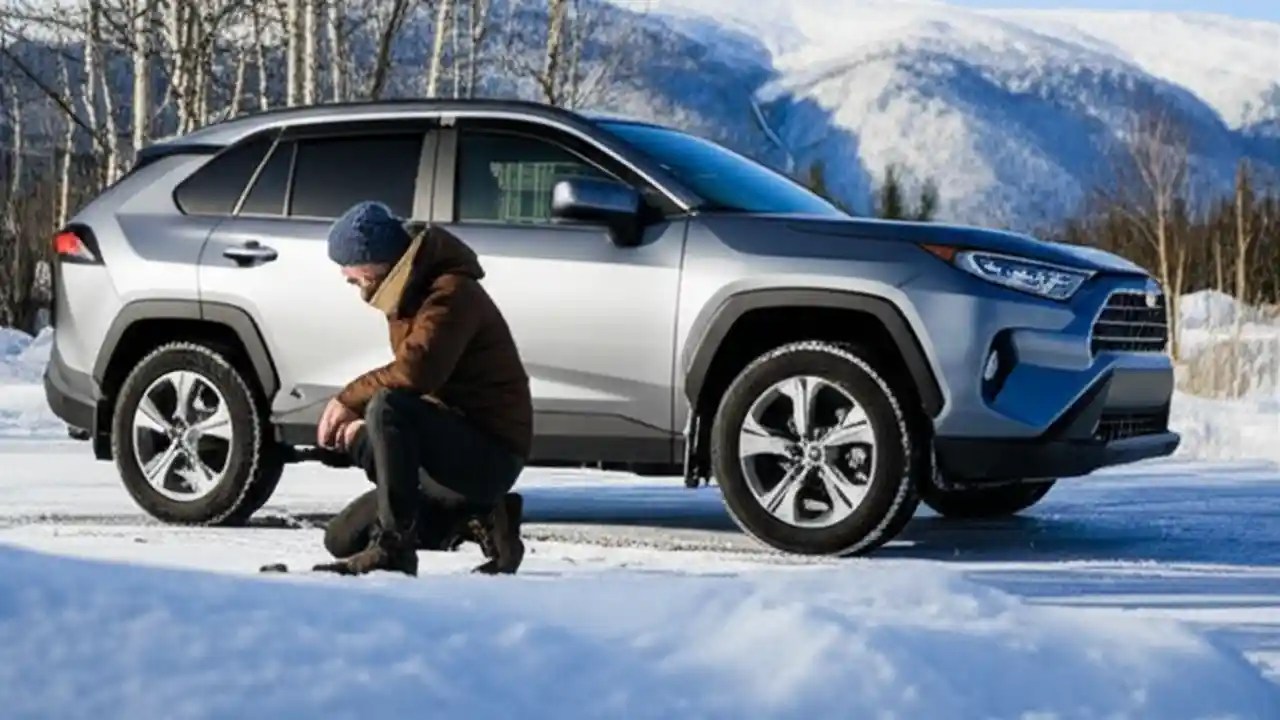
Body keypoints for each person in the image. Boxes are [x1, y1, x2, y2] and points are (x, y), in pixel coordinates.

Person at [310, 201, 533, 577]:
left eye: (349, 267)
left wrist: (348, 399)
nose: (347, 278)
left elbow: (415, 375)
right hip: (448, 454)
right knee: (342, 539)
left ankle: (395, 547)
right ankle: (481, 518)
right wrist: (357, 438)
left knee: (386, 407)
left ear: (374, 261)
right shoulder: (408, 292)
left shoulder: (450, 292)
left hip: (489, 454)